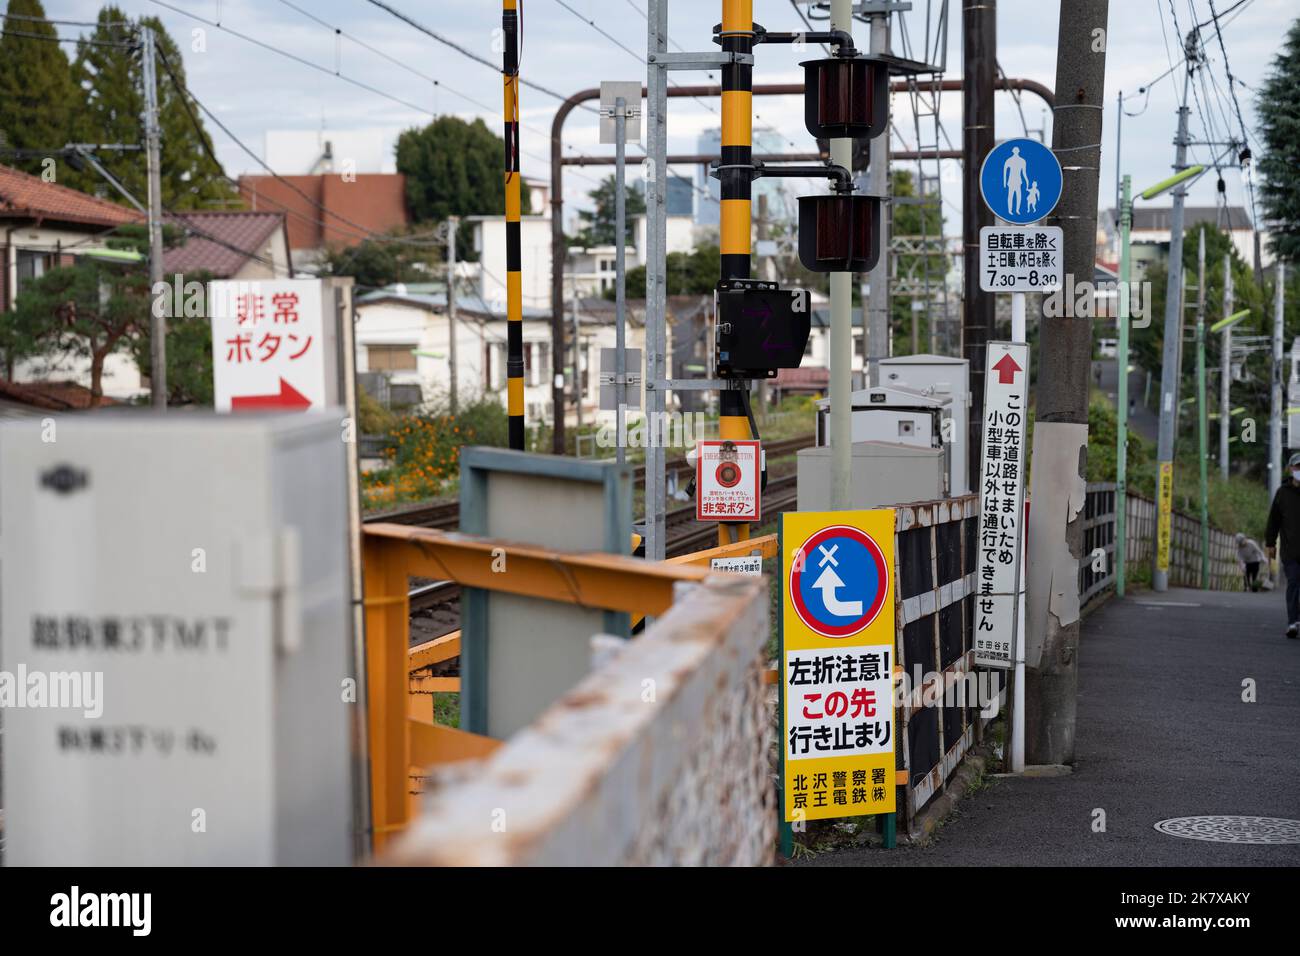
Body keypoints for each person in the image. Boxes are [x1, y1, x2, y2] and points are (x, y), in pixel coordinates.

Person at [1264, 451, 1300, 638]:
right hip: (1291, 550)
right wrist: (1270, 543)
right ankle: (1292, 622)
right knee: (1293, 583)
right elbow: (1274, 520)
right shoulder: (1283, 493)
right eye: (1298, 466)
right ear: (1291, 469)